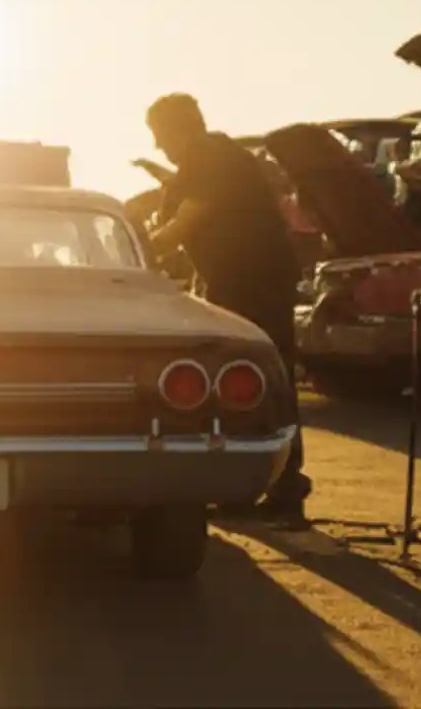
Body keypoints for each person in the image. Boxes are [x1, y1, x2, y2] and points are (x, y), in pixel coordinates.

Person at [143, 93, 312, 522]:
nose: (159, 146)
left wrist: (141, 246)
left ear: (178, 130)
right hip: (250, 280)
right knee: (250, 386)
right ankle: (254, 486)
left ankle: (285, 486)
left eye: (160, 136)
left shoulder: (209, 157)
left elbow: (187, 221)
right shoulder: (216, 156)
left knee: (264, 384)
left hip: (253, 284)